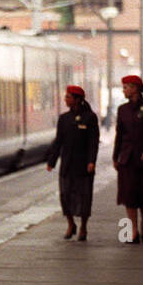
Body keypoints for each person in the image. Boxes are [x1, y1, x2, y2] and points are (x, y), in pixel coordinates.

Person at [45, 85, 99, 241]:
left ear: (77, 99)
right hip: (67, 165)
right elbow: (58, 142)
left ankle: (83, 227)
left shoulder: (90, 118)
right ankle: (70, 224)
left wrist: (91, 161)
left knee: (84, 197)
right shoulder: (64, 119)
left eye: (68, 97)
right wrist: (52, 161)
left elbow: (93, 142)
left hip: (83, 165)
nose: (65, 99)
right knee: (65, 196)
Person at [114, 74, 143, 243]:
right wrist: (115, 156)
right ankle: (132, 230)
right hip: (127, 158)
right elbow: (119, 134)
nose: (123, 90)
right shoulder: (122, 110)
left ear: (134, 88)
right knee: (128, 194)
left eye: (126, 87)